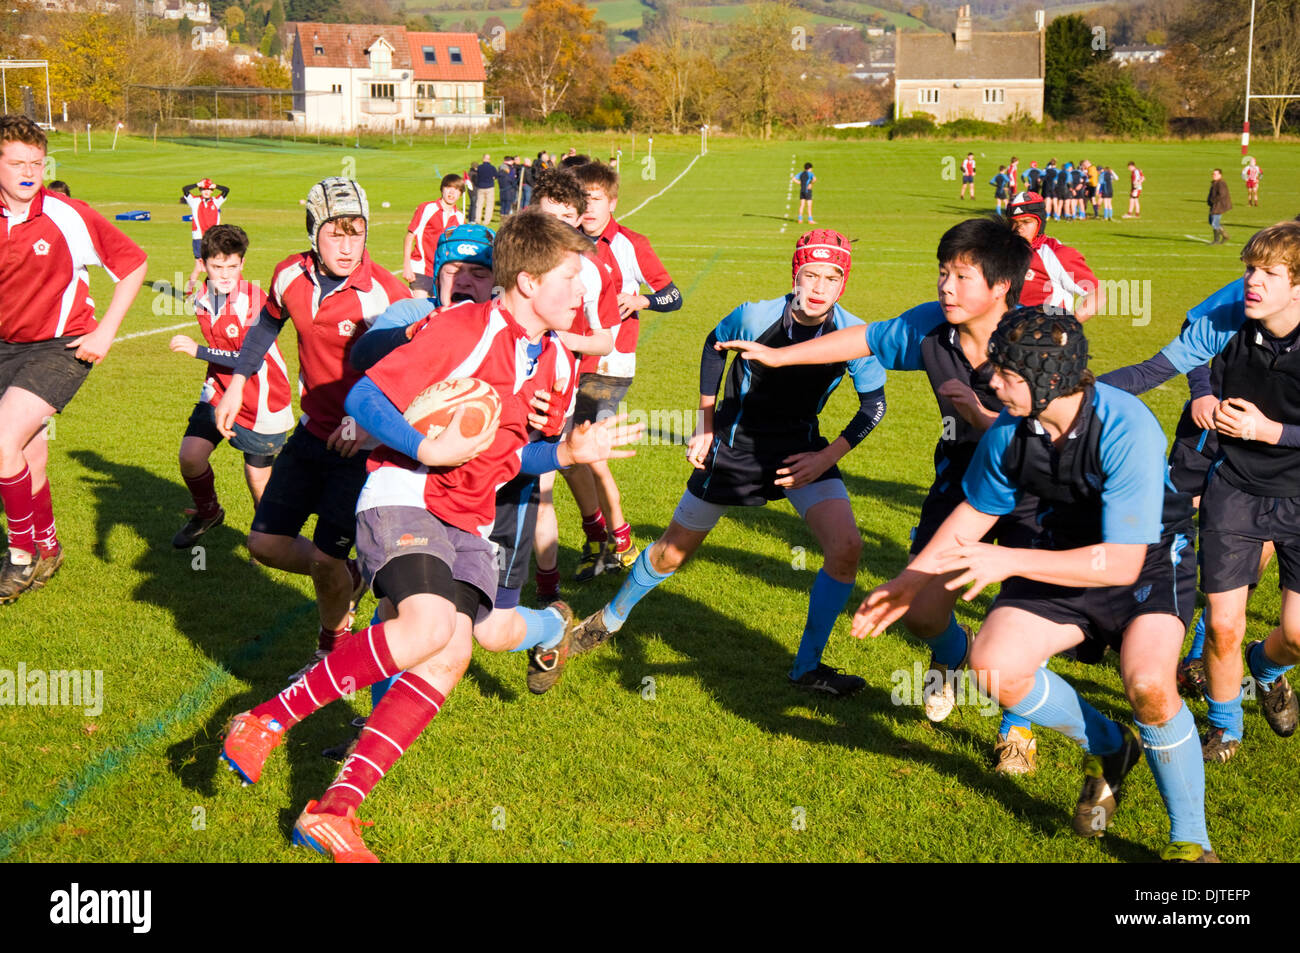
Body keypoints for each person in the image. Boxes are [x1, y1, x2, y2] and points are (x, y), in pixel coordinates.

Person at [219, 211, 609, 862]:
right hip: (405, 496)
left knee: (450, 654)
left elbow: (505, 462)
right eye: (572, 277)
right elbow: (367, 399)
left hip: (470, 519)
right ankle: (265, 718)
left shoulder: (554, 364)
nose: (583, 291)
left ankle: (335, 812)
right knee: (427, 627)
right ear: (531, 280)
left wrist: (564, 452)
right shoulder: (465, 328)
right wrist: (425, 443)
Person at [857, 308, 1215, 863]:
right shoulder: (1008, 431)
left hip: (1144, 564)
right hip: (1054, 555)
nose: (992, 382)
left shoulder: (1127, 425)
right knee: (993, 666)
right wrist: (908, 581)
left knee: (1147, 684)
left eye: (1007, 373)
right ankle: (1109, 747)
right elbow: (974, 513)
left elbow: (1120, 563)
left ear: (1050, 380)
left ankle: (1191, 841)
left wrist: (1007, 563)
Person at [719, 218, 1044, 773]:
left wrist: (981, 415)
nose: (945, 287)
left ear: (1000, 287)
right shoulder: (930, 328)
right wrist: (780, 356)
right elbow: (867, 337)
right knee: (922, 615)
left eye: (962, 276)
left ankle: (1017, 730)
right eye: (943, 273)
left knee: (1018, 615)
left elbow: (1055, 432)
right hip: (960, 486)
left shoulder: (1037, 340)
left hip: (1035, 491)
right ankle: (951, 656)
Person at [570, 230, 886, 696]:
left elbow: (873, 406)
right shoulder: (755, 315)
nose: (820, 287)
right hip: (733, 451)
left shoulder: (854, 332)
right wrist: (705, 424)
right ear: (795, 274)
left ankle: (806, 668)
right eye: (810, 275)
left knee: (846, 549)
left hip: (801, 455)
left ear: (844, 283)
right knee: (671, 553)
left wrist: (825, 457)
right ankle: (608, 620)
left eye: (832, 277)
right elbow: (712, 346)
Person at [1098, 221, 1300, 764]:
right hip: (1235, 487)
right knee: (1224, 623)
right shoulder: (1232, 313)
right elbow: (1152, 371)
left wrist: (1271, 432)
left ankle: (1267, 667)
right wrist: (1067, 391)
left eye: (1267, 273)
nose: (1250, 282)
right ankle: (1225, 726)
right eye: (1249, 269)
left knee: (1297, 633)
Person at [214, 177, 410, 676]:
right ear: (313, 232)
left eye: (357, 233)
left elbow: (412, 375)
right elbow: (265, 326)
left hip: (362, 447)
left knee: (324, 560)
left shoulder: (387, 294)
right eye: (335, 234)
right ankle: (351, 574)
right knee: (264, 545)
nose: (348, 247)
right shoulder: (287, 275)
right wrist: (237, 383)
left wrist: (367, 422)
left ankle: (332, 645)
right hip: (309, 433)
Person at [0, 114, 148, 603]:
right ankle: (48, 546)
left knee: (2, 440)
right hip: (5, 348)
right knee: (27, 455)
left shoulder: (67, 213)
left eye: (36, 163)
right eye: (17, 162)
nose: (28, 172)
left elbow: (133, 264)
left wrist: (105, 332)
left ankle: (20, 556)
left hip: (63, 346)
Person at [565, 160, 682, 580]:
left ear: (612, 202)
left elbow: (673, 296)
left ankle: (610, 538)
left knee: (585, 451)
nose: (588, 208)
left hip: (612, 364)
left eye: (595, 200)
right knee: (569, 454)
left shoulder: (631, 244)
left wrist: (642, 301)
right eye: (582, 200)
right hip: (570, 360)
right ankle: (611, 538)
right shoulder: (566, 242)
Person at [167, 224, 293, 548]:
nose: (224, 274)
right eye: (216, 266)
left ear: (242, 265)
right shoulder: (201, 298)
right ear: (204, 264)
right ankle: (208, 513)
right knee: (190, 456)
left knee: (258, 480)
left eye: (232, 266)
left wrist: (198, 351)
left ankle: (267, 542)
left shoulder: (255, 301)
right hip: (219, 390)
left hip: (263, 398)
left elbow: (247, 357)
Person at [1006, 191, 1104, 321]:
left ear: (1039, 222)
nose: (1019, 228)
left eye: (1026, 222)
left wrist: (1070, 325)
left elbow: (1097, 294)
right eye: (1015, 223)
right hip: (1008, 335)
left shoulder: (1058, 255)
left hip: (1046, 337)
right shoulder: (1004, 252)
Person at [402, 174, 465, 297]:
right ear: (442, 189)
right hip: (421, 268)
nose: (452, 192)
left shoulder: (460, 217)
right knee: (420, 311)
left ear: (461, 194)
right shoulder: (427, 208)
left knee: (438, 312)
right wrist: (407, 266)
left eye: (457, 189)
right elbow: (410, 236)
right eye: (448, 187)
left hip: (443, 273)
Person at [182, 177, 230, 294]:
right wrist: (197, 184)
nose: (206, 191)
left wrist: (216, 186)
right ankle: (189, 293)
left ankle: (213, 292)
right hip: (199, 238)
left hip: (214, 238)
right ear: (200, 190)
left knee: (215, 266)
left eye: (208, 189)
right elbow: (185, 189)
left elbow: (226, 190)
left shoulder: (216, 201)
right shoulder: (195, 201)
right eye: (203, 189)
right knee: (199, 268)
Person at [1208, 168, 1232, 245]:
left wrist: (1213, 200)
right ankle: (1225, 236)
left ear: (1220, 175)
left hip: (1219, 206)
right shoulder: (1215, 182)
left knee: (1215, 223)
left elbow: (1222, 194)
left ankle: (1216, 240)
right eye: (1213, 174)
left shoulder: (1221, 183)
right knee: (1212, 221)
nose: (1213, 175)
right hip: (1215, 205)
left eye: (1215, 174)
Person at [472, 154, 497, 225]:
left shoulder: (479, 167)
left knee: (479, 204)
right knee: (489, 204)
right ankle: (486, 220)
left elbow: (476, 176)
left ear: (483, 159)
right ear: (489, 160)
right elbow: (496, 176)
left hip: (480, 187)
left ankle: (477, 219)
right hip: (489, 187)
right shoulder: (492, 168)